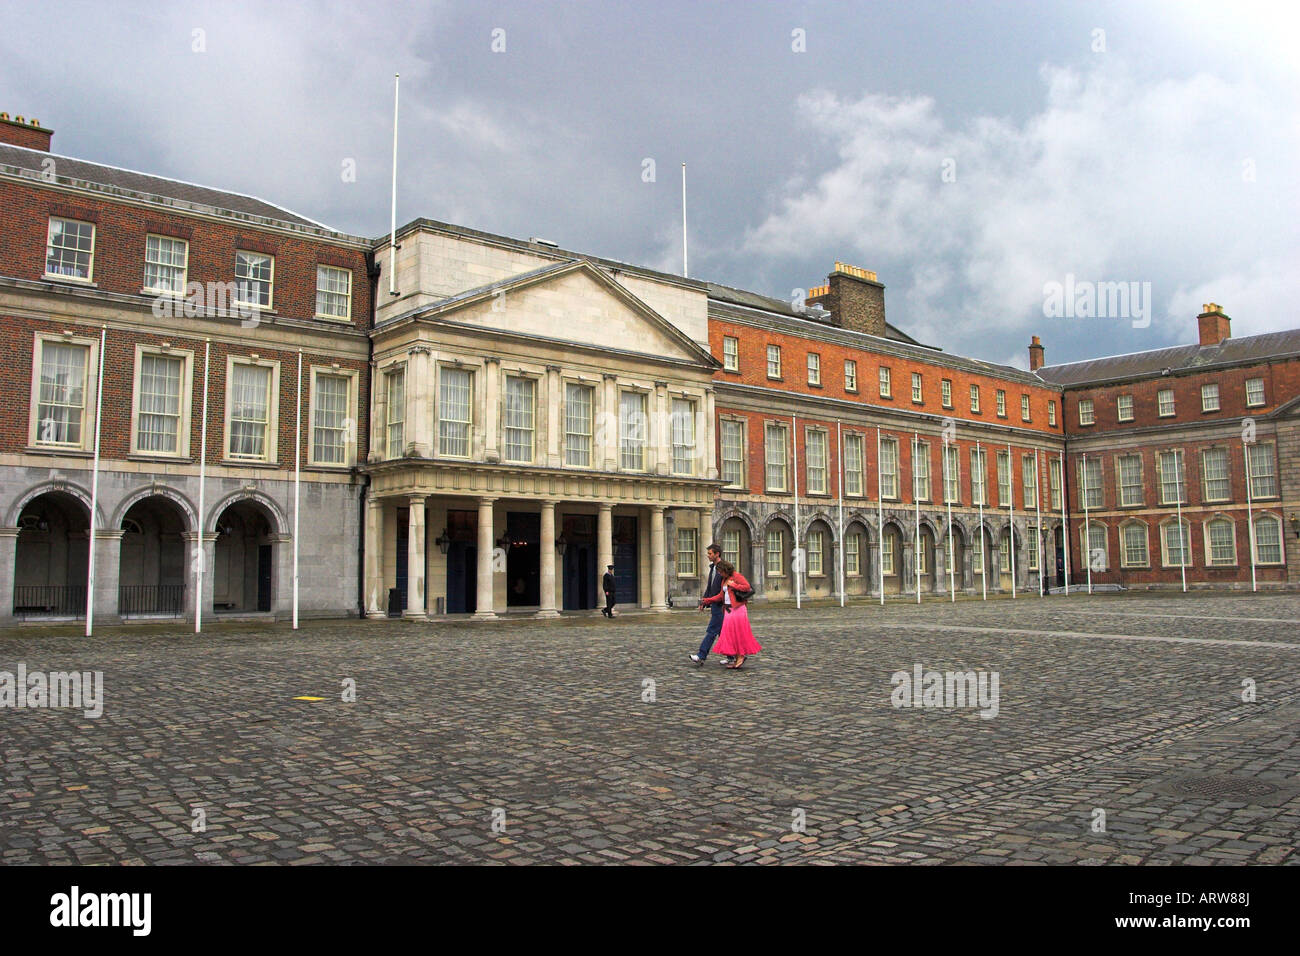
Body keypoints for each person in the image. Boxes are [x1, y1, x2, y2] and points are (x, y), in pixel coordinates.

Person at [709, 562, 761, 670]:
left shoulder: (737, 576)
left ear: (725, 570)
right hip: (728, 609)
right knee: (730, 634)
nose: (720, 574)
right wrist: (707, 601)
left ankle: (741, 656)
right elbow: (721, 595)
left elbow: (747, 587)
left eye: (720, 571)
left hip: (738, 609)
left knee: (739, 633)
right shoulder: (724, 580)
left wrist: (733, 585)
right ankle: (738, 657)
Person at [689, 544, 727, 666]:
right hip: (715, 604)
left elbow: (724, 588)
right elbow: (710, 587)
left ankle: (701, 655)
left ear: (717, 554)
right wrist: (704, 602)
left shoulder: (723, 568)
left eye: (710, 553)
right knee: (722, 632)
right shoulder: (713, 568)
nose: (708, 555)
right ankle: (733, 655)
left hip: (721, 605)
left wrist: (711, 601)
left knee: (712, 631)